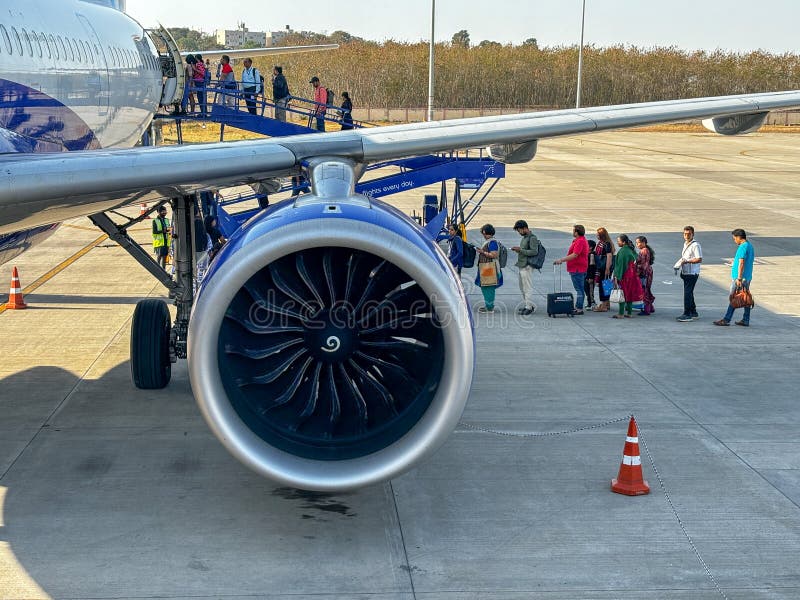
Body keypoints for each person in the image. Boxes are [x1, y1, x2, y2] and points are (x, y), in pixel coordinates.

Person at [714, 228, 755, 327]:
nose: (734, 240)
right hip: (747, 276)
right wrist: (734, 263)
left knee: (734, 298)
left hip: (740, 278)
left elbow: (742, 262)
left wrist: (739, 278)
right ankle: (746, 319)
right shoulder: (750, 246)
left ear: (739, 237)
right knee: (745, 298)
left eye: (734, 238)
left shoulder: (742, 247)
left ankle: (726, 319)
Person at [554, 224, 589, 315]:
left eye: (574, 230)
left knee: (579, 289)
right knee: (580, 289)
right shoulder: (579, 240)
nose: (572, 232)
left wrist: (561, 260)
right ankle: (578, 306)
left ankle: (579, 308)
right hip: (578, 268)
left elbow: (575, 254)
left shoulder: (580, 241)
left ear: (577, 232)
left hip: (577, 268)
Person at [510, 219, 539, 315]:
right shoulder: (525, 237)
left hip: (527, 265)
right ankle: (528, 304)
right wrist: (519, 250)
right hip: (522, 265)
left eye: (519, 230)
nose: (519, 232)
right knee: (522, 287)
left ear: (525, 228)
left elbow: (534, 251)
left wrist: (520, 250)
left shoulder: (532, 238)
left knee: (527, 287)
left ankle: (528, 307)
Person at [674, 225, 702, 322]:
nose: (686, 236)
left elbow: (699, 259)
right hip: (686, 272)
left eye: (689, 234)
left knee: (687, 293)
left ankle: (687, 314)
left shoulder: (695, 245)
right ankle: (693, 312)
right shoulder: (685, 244)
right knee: (689, 292)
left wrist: (687, 261)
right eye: (685, 234)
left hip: (692, 273)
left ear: (693, 234)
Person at [612, 234, 643, 319]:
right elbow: (637, 259)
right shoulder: (630, 250)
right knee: (629, 294)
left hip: (625, 276)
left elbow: (621, 266)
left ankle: (621, 313)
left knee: (622, 294)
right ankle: (629, 313)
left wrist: (617, 277)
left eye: (619, 241)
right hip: (632, 275)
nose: (617, 242)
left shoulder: (622, 252)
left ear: (624, 242)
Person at [475, 224, 503, 313]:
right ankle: (488, 305)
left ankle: (489, 307)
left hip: (489, 267)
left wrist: (482, 252)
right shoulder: (489, 242)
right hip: (486, 267)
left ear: (489, 233)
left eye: (485, 233)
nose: (484, 235)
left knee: (488, 287)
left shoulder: (492, 242)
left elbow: (494, 254)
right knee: (486, 287)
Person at [592, 227, 615, 312]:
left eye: (598, 234)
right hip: (602, 266)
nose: (596, 236)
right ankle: (607, 303)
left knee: (603, 286)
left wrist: (607, 268)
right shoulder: (603, 243)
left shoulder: (606, 244)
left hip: (604, 267)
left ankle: (604, 306)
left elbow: (609, 256)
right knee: (607, 284)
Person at [635, 236, 655, 315]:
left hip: (644, 273)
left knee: (644, 290)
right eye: (636, 243)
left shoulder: (644, 251)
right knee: (647, 289)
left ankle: (646, 310)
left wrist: (637, 272)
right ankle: (651, 307)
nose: (637, 244)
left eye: (638, 242)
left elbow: (643, 265)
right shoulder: (645, 250)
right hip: (647, 272)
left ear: (643, 243)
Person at [152, 205, 171, 270]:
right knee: (159, 256)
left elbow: (169, 229)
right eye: (163, 211)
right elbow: (154, 232)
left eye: (165, 211)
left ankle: (163, 269)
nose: (164, 213)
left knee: (165, 256)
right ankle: (157, 269)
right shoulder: (155, 221)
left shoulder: (166, 220)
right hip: (159, 242)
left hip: (166, 241)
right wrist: (163, 231)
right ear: (159, 212)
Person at [585, 239, 597, 309]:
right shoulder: (587, 254)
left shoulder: (592, 255)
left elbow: (592, 267)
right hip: (586, 274)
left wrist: (591, 277)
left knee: (590, 290)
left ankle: (591, 303)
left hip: (590, 275)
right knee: (586, 289)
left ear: (591, 247)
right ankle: (590, 302)